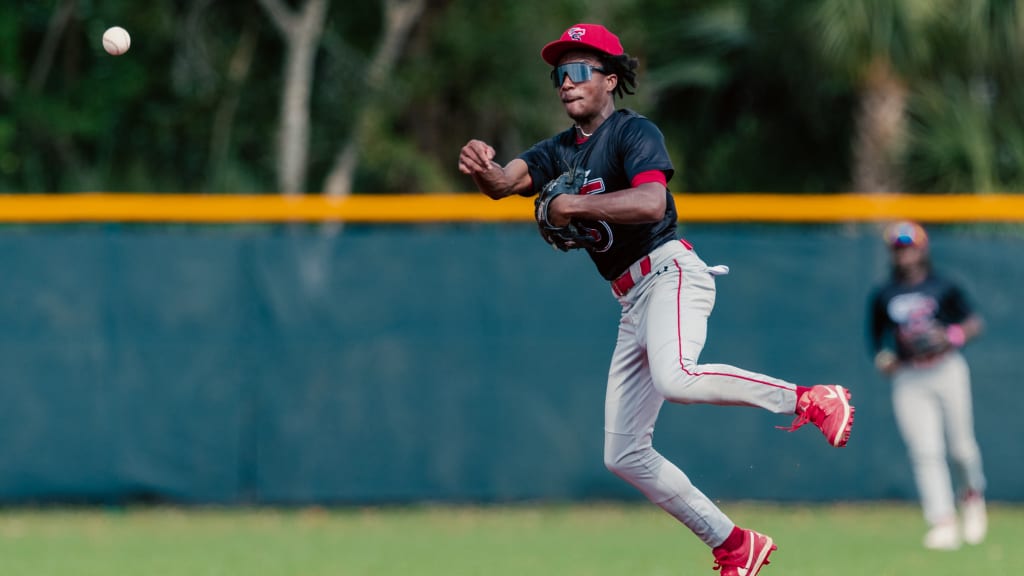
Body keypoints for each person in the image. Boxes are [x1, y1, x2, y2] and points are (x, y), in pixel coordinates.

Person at [457, 23, 855, 576]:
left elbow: (650, 202)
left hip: (670, 273)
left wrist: (572, 207)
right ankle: (734, 544)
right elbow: (504, 183)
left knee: (677, 377)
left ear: (610, 79)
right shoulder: (555, 152)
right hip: (631, 298)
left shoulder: (632, 132)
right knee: (622, 453)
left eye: (579, 71)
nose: (565, 83)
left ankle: (812, 399)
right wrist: (483, 166)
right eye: (558, 74)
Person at [868, 221, 988, 550]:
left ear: (922, 248)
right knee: (925, 452)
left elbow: (974, 322)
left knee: (961, 448)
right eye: (897, 248)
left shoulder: (943, 285)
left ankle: (972, 497)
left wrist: (950, 335)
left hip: (946, 368)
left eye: (909, 246)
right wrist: (884, 360)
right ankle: (943, 521)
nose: (904, 254)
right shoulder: (884, 293)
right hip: (909, 376)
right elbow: (877, 341)